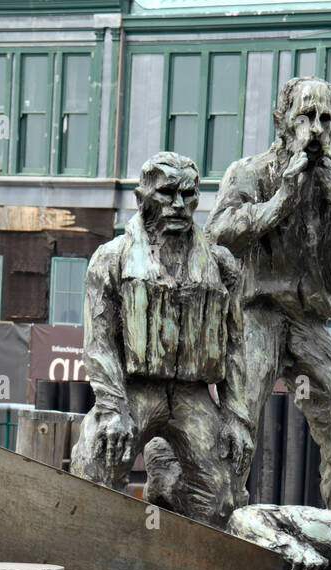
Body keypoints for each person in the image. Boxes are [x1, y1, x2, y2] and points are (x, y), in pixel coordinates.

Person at [206, 77, 331, 509]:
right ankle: (221, 518)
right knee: (239, 423)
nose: (315, 129)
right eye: (304, 117)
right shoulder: (251, 173)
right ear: (283, 123)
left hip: (309, 323)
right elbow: (217, 236)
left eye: (325, 119)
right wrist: (280, 202)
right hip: (256, 316)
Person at [70, 152, 252, 528]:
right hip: (135, 392)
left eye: (188, 195)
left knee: (224, 491)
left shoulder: (221, 266)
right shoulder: (112, 259)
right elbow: (100, 343)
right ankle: (98, 554)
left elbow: (235, 345)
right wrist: (112, 409)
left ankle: (172, 511)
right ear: (141, 199)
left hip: (194, 396)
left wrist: (236, 416)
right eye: (167, 193)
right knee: (98, 460)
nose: (179, 205)